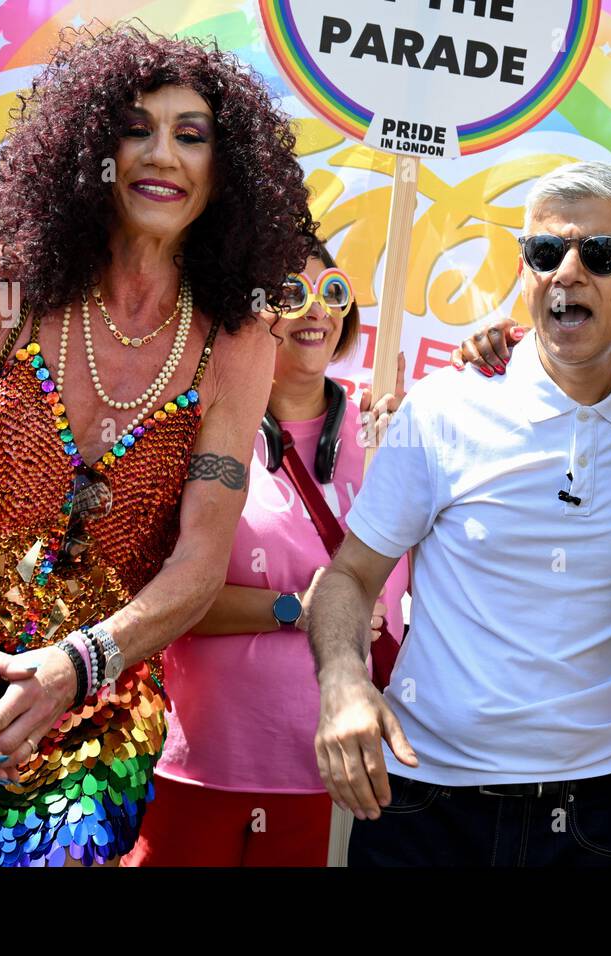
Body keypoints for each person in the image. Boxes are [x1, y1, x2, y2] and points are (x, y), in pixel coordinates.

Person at [0, 24, 315, 867]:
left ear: (228, 171)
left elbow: (201, 558)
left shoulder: (239, 334)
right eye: (135, 129)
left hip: (101, 701)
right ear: (89, 150)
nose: (162, 155)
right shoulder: (3, 282)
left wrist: (78, 666)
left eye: (192, 135)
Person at [307, 161, 611, 867]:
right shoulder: (447, 407)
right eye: (546, 252)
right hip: (425, 801)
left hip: (597, 812)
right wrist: (343, 684)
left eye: (599, 254)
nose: (567, 272)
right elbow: (349, 578)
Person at [126, 240, 411, 867]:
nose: (315, 311)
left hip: (334, 774)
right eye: (289, 294)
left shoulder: (388, 428)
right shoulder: (197, 426)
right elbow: (153, 598)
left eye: (331, 291)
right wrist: (293, 608)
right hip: (200, 764)